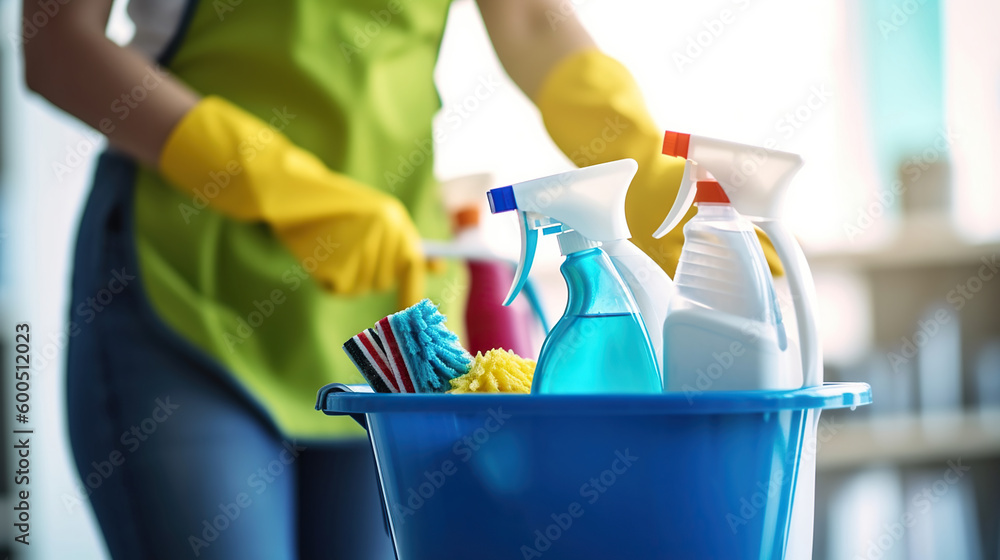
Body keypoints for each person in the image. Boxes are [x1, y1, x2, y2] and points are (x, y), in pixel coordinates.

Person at [25, 0, 774, 557]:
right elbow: (55, 44)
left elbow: (530, 23)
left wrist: (640, 165)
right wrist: (269, 181)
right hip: (187, 292)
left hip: (384, 316)